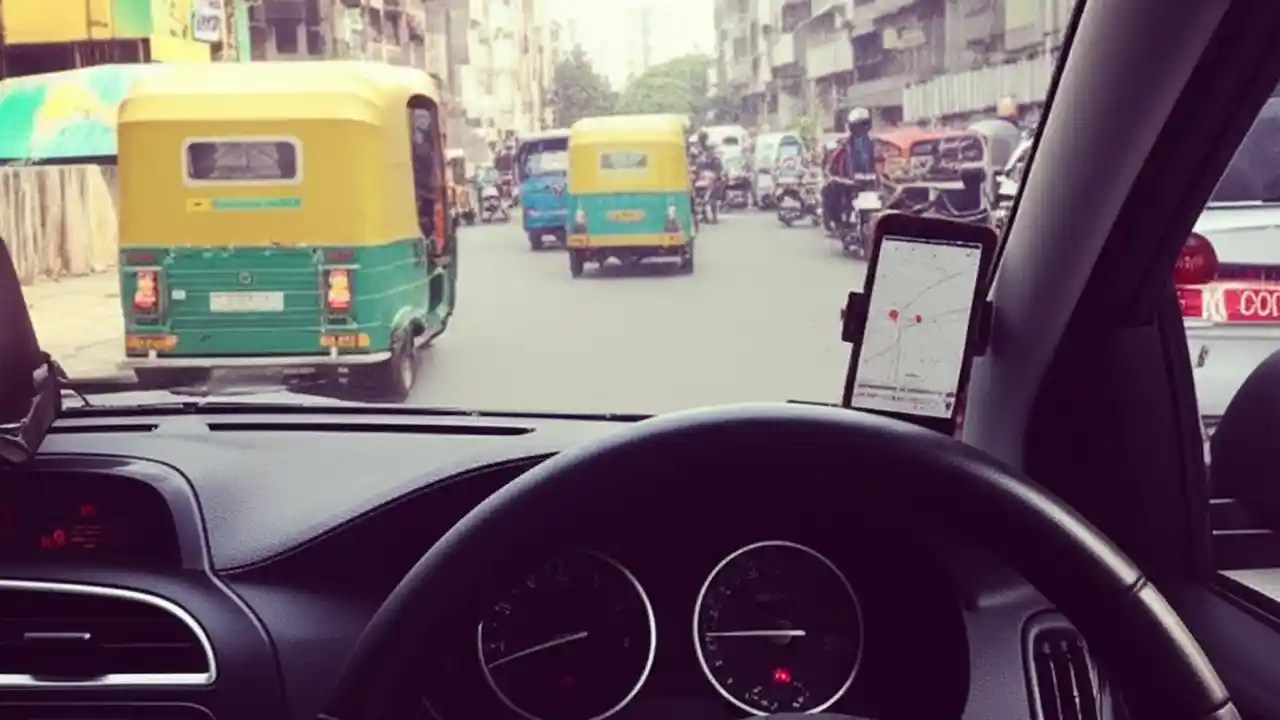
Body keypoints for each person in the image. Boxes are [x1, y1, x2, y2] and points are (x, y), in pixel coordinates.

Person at [823, 107, 877, 229]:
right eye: (858, 126)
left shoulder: (876, 143)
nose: (861, 130)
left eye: (864, 125)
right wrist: (832, 175)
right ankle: (838, 222)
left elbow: (884, 163)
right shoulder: (843, 145)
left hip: (871, 185)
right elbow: (831, 165)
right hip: (850, 183)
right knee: (829, 192)